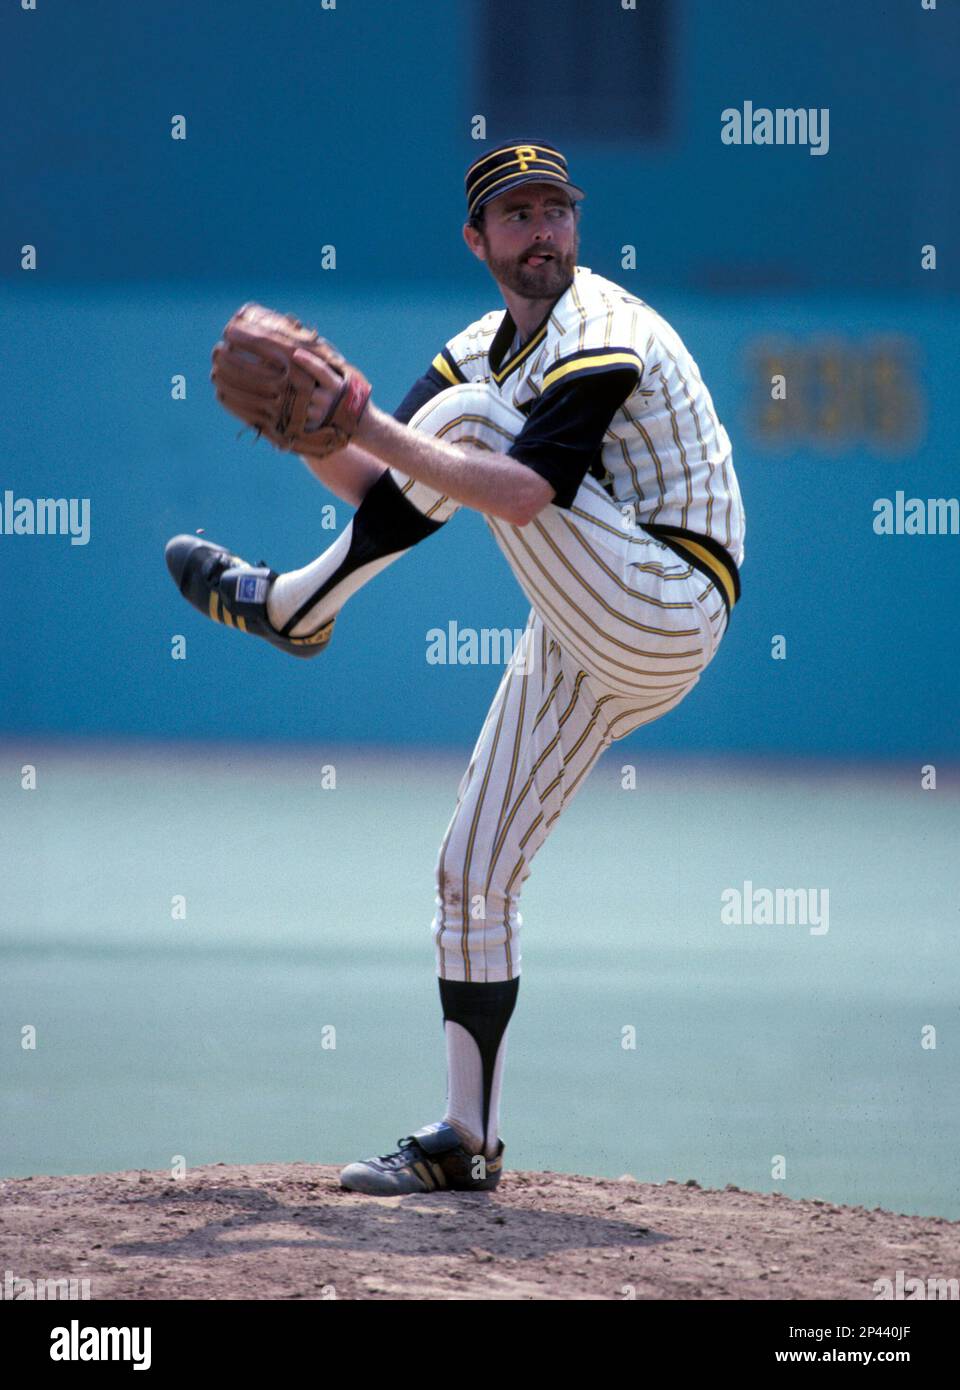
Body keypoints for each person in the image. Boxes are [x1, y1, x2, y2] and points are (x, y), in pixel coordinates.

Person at [165, 140, 746, 1195]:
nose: (541, 233)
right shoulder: (482, 344)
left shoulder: (600, 331)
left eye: (554, 211)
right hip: (587, 624)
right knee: (471, 869)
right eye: (515, 216)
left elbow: (515, 492)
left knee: (478, 424)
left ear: (578, 222)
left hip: (668, 598)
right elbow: (390, 487)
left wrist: (367, 418)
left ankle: (294, 604)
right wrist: (303, 427)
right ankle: (465, 1139)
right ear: (477, 240)